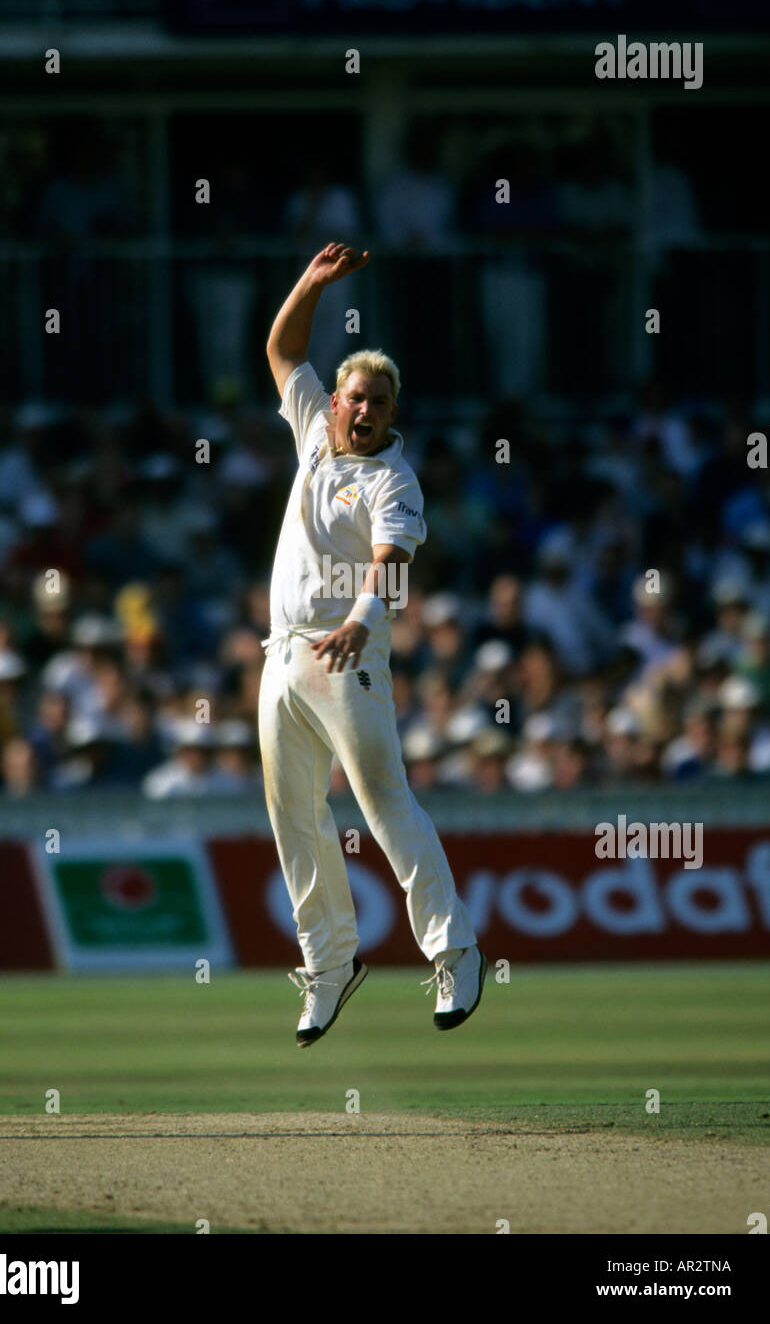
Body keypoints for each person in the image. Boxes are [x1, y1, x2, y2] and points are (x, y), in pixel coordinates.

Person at [261, 241, 486, 1048]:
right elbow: (282, 349)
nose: (364, 412)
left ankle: (454, 950)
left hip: (348, 656)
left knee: (382, 800)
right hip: (281, 655)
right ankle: (328, 964)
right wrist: (311, 283)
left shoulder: (393, 479)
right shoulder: (312, 434)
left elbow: (391, 562)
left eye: (379, 404)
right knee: (292, 813)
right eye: (355, 398)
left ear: (392, 416)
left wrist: (361, 617)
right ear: (334, 404)